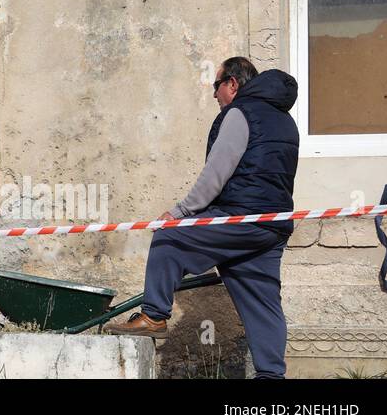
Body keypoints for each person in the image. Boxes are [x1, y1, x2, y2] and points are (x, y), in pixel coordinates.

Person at [103, 57, 300, 379]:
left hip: (241, 217)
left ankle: (153, 317)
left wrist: (180, 213)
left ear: (233, 84)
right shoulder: (284, 120)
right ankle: (271, 375)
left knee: (170, 236)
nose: (214, 95)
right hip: (273, 224)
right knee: (261, 299)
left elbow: (216, 175)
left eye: (217, 85)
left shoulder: (240, 113)